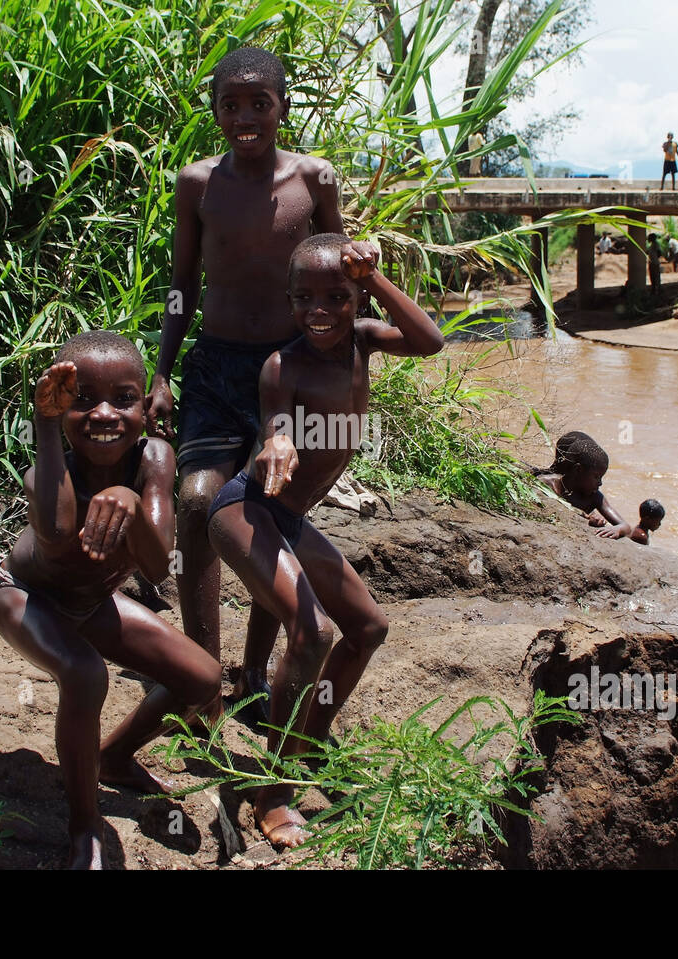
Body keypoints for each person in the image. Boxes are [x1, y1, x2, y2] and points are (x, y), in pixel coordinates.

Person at [145, 47, 372, 727]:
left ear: (282, 107)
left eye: (259, 104)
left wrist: (349, 369)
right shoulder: (196, 183)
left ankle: (254, 672)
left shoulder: (312, 179)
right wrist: (161, 369)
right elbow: (184, 283)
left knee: (270, 509)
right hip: (215, 367)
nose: (244, 117)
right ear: (215, 111)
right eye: (230, 104)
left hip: (289, 369)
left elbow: (342, 276)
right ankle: (201, 677)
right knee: (196, 501)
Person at [207, 233, 444, 848]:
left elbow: (430, 341)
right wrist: (277, 442)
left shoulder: (364, 340)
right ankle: (274, 793)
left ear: (356, 298)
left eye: (337, 296)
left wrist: (375, 282)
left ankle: (309, 738)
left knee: (368, 628)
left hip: (288, 522)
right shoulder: (281, 366)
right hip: (246, 511)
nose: (321, 309)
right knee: (313, 632)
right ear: (288, 302)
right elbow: (278, 426)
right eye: (305, 298)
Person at [0, 331, 222, 869]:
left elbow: (160, 564)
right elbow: (54, 533)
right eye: (82, 399)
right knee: (86, 674)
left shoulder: (154, 459)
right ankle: (84, 826)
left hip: (90, 605)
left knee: (204, 680)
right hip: (25, 598)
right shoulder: (49, 472)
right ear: (61, 408)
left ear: (147, 403)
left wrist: (132, 504)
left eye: (122, 398)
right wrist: (46, 427)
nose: (104, 414)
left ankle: (113, 757)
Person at [533, 431, 632, 538]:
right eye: (596, 477)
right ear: (578, 469)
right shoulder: (546, 484)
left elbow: (625, 527)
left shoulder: (594, 497)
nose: (600, 483)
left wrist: (616, 529)